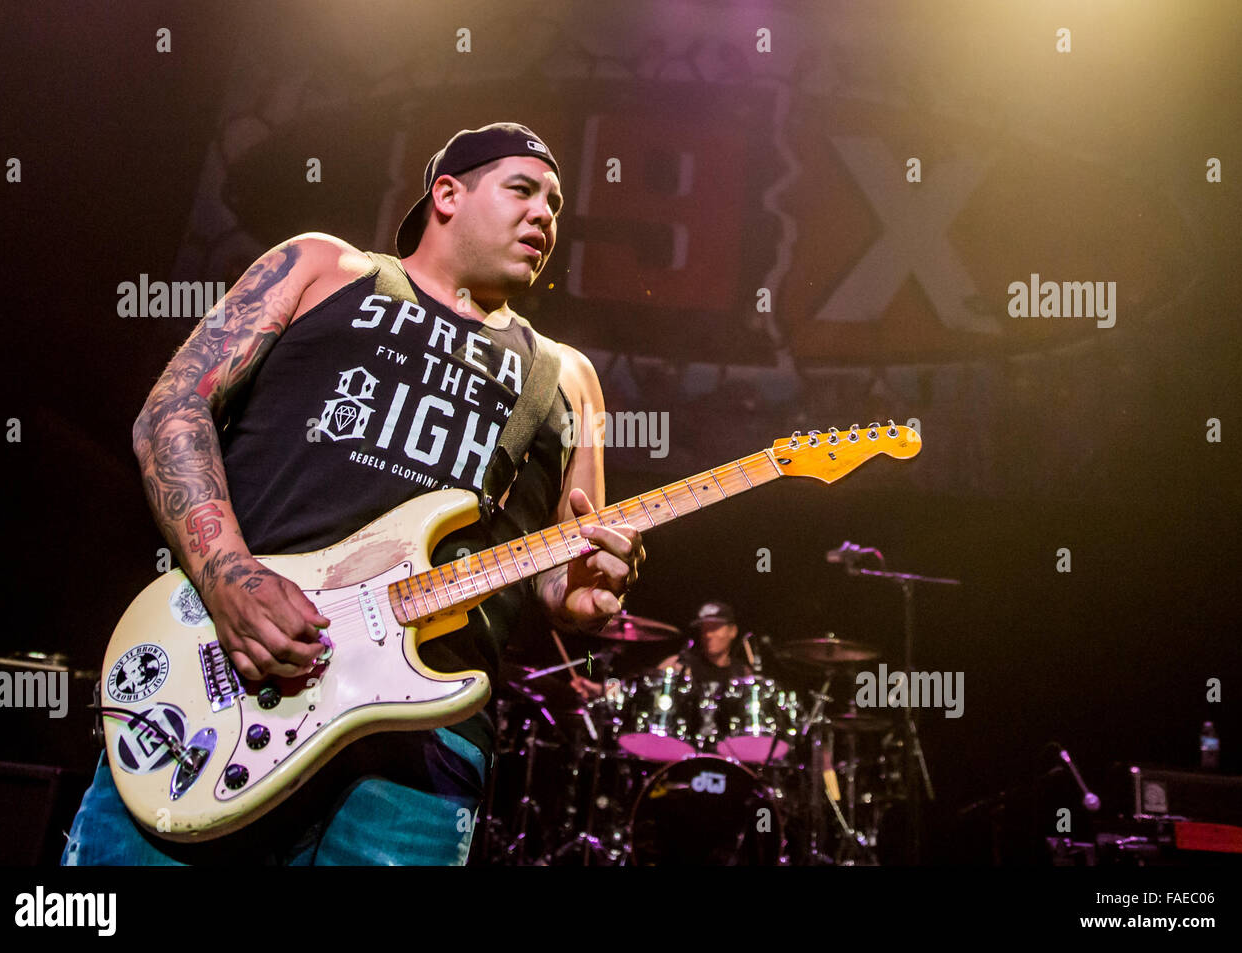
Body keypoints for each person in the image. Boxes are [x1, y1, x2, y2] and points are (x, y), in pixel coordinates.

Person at [61, 122, 645, 865]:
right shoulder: (322, 268)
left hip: (421, 751)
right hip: (232, 679)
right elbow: (173, 410)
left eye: (556, 205)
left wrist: (583, 589)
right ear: (447, 194)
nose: (545, 216)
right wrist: (228, 575)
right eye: (523, 190)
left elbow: (563, 575)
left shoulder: (568, 379)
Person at [656, 601, 752, 683]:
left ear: (733, 631)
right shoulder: (678, 664)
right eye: (704, 629)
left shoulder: (743, 672)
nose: (708, 635)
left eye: (714, 628)